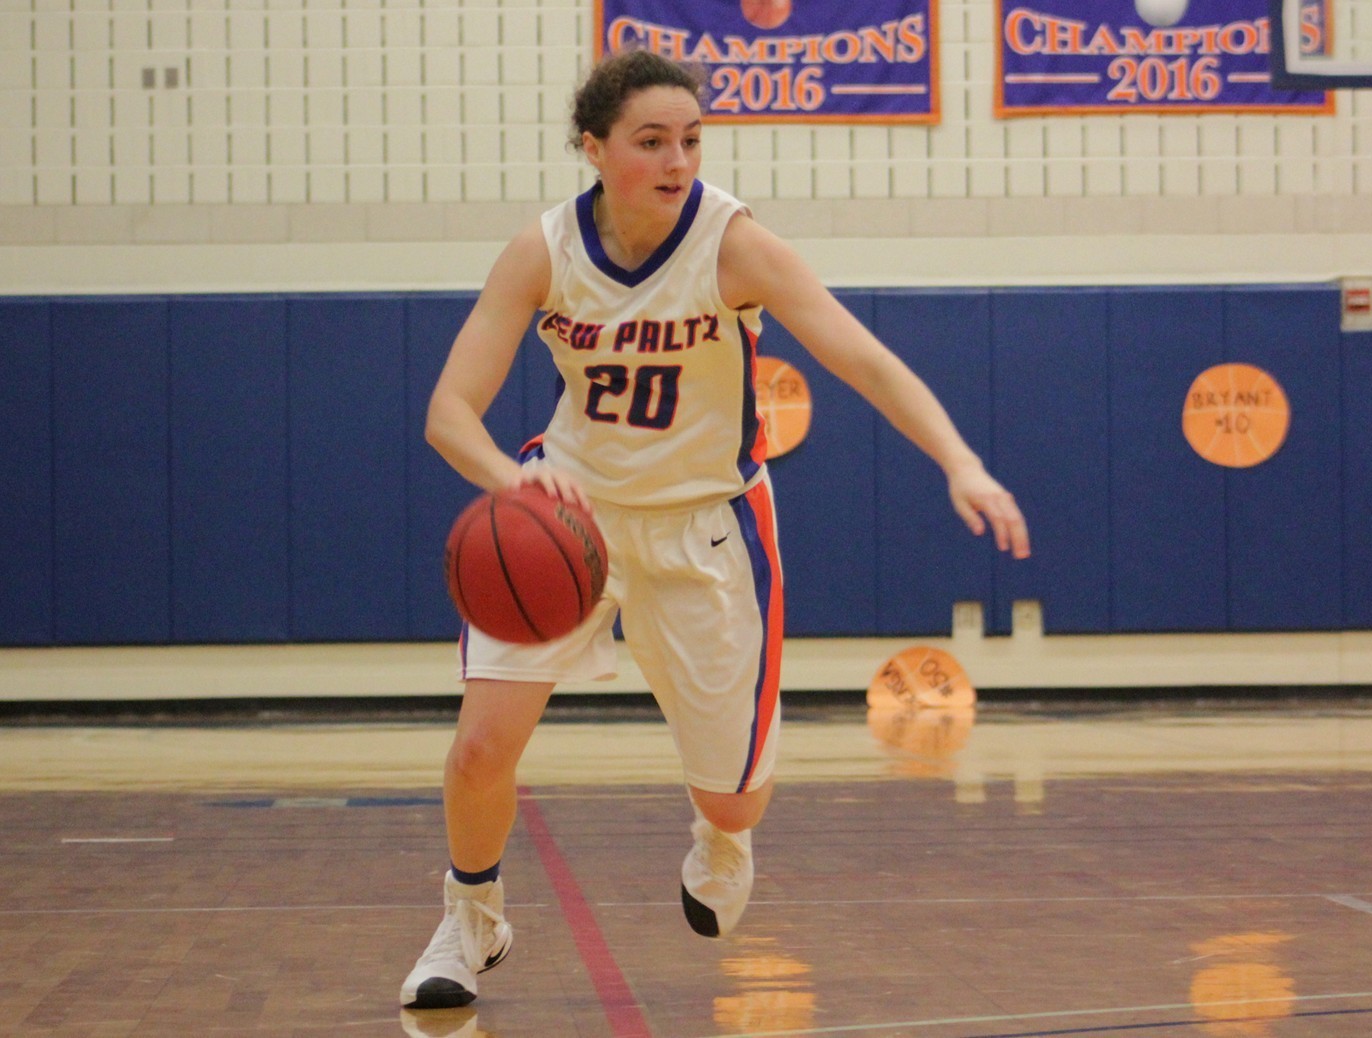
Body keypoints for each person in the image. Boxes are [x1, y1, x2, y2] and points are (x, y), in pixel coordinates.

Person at [401, 48, 1031, 1011]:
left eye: (691, 141)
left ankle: (723, 838)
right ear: (594, 148)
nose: (677, 161)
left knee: (733, 796)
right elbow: (449, 411)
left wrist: (961, 460)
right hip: (567, 520)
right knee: (482, 748)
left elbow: (863, 359)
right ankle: (470, 917)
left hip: (706, 522)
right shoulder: (545, 250)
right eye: (652, 142)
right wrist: (512, 483)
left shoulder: (734, 245)